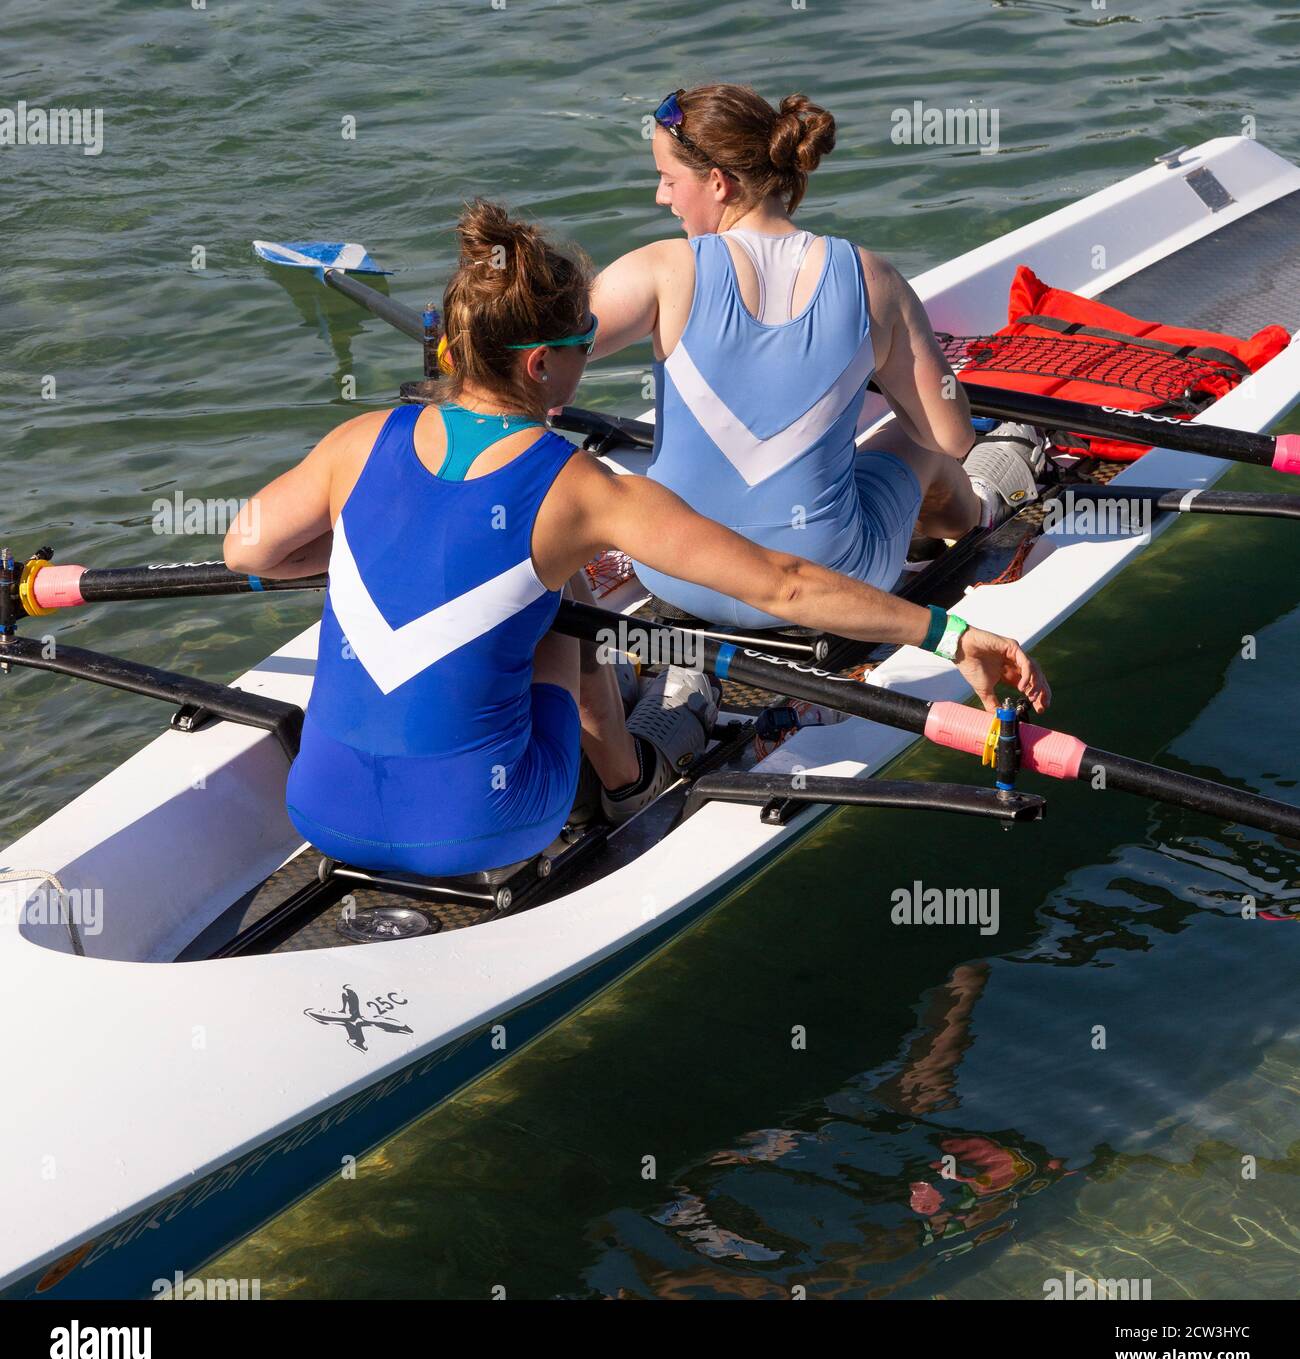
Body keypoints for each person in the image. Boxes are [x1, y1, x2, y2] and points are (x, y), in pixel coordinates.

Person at [225, 200, 1048, 880]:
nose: (591, 359)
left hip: (319, 809)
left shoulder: (358, 441)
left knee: (530, 591)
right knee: (555, 605)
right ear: (543, 364)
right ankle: (626, 783)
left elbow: (247, 552)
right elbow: (785, 585)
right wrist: (952, 634)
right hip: (489, 824)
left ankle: (602, 717)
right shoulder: (579, 487)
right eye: (586, 346)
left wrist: (383, 549)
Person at [587, 84, 1042, 628]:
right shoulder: (874, 279)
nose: (662, 198)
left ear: (717, 183)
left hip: (676, 572)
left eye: (667, 180)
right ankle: (982, 512)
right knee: (921, 446)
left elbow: (545, 348)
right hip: (834, 582)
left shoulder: (656, 269)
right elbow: (953, 435)